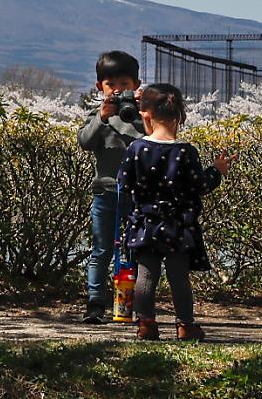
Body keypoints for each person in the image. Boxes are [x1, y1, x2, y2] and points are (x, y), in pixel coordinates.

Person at [118, 83, 231, 341]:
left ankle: (146, 324)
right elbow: (200, 185)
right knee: (179, 277)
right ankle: (185, 325)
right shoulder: (186, 152)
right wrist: (217, 170)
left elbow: (123, 182)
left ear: (144, 114)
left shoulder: (136, 149)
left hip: (146, 224)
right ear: (179, 115)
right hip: (179, 227)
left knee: (146, 275)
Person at [77, 50, 144, 324]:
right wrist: (102, 118)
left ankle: (138, 303)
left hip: (138, 194)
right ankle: (95, 303)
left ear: (136, 86)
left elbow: (156, 139)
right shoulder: (97, 115)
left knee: (137, 249)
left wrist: (145, 110)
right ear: (99, 87)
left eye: (124, 85)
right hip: (105, 191)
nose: (118, 91)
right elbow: (85, 141)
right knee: (101, 249)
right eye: (111, 85)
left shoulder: (143, 115)